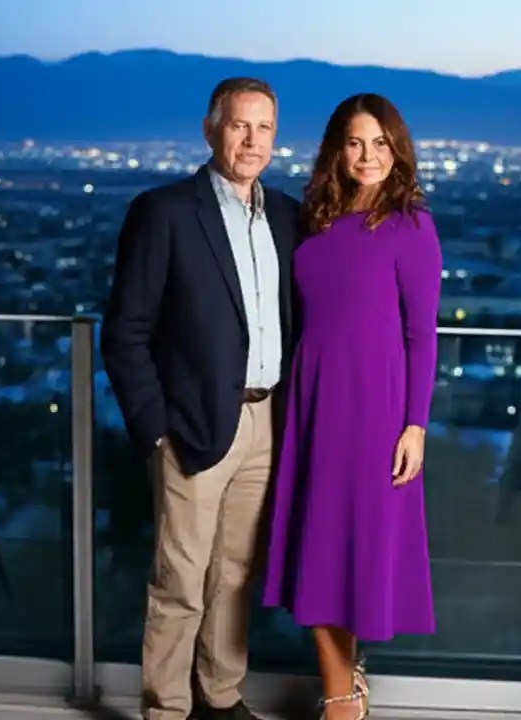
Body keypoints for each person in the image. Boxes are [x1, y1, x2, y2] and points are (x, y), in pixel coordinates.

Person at [101, 77, 300, 720]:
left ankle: (220, 695)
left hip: (267, 418)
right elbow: (125, 331)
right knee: (180, 582)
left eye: (263, 128)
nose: (251, 140)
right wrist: (155, 427)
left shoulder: (289, 216)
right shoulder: (164, 211)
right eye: (239, 125)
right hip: (191, 426)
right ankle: (166, 709)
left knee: (237, 573)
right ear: (210, 129)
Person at [261, 93, 442, 720]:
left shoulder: (411, 224)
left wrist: (415, 423)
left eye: (380, 143)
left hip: (375, 407)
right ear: (337, 148)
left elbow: (423, 332)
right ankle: (346, 685)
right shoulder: (313, 218)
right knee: (317, 543)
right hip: (309, 401)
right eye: (356, 142)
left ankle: (340, 698)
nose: (368, 155)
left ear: (398, 150)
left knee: (353, 546)